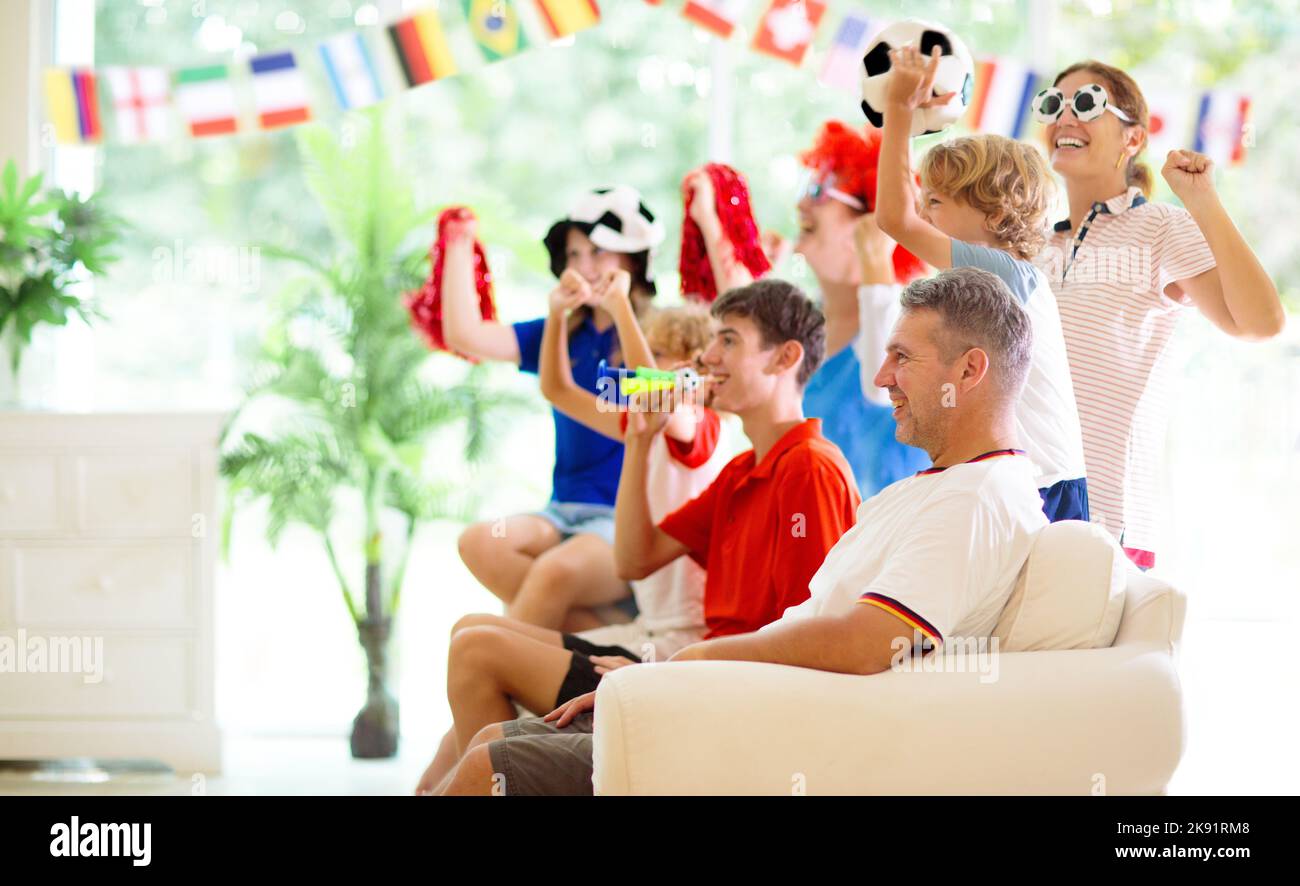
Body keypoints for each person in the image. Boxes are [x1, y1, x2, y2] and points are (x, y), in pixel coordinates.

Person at [434, 267, 1047, 796]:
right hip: (727, 689)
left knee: (490, 758)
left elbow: (866, 643)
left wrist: (684, 664)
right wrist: (669, 671)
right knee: (490, 739)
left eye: (903, 358)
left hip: (750, 713)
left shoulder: (974, 496)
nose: (882, 377)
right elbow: (639, 562)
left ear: (970, 370)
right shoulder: (932, 488)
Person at [412, 287, 730, 795]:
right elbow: (558, 389)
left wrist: (621, 306)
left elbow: (654, 386)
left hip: (675, 643)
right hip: (646, 627)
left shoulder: (696, 424)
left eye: (655, 355)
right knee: (469, 627)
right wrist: (558, 314)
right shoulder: (642, 426)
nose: (635, 369)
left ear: (689, 367)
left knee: (479, 647)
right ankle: (467, 774)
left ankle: (449, 776)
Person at [1033, 59, 1284, 568]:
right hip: (1021, 497)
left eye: (1087, 104)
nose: (1065, 117)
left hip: (1105, 512)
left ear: (1133, 139)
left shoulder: (1160, 228)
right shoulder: (1034, 245)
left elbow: (1261, 322)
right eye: (1054, 104)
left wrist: (1202, 201)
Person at [875, 45, 1089, 523]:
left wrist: (899, 111)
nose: (922, 213)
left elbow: (895, 218)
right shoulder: (975, 282)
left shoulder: (1006, 273)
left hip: (1047, 484)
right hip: (1015, 476)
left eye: (935, 202)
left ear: (994, 215)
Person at [442, 187, 665, 626]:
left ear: (633, 260)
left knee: (551, 574)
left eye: (598, 252)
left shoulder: (660, 332)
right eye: (574, 255)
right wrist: (458, 242)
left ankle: (503, 652)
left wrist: (620, 308)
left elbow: (657, 402)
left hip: (625, 525)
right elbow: (465, 336)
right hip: (562, 512)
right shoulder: (559, 329)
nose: (583, 267)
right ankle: (603, 627)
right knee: (478, 542)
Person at [685, 129, 932, 497]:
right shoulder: (808, 322)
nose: (802, 201)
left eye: (821, 190)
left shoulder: (902, 323)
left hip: (875, 531)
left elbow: (882, 382)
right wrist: (709, 220)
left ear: (874, 221)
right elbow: (745, 320)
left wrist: (877, 254)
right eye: (809, 184)